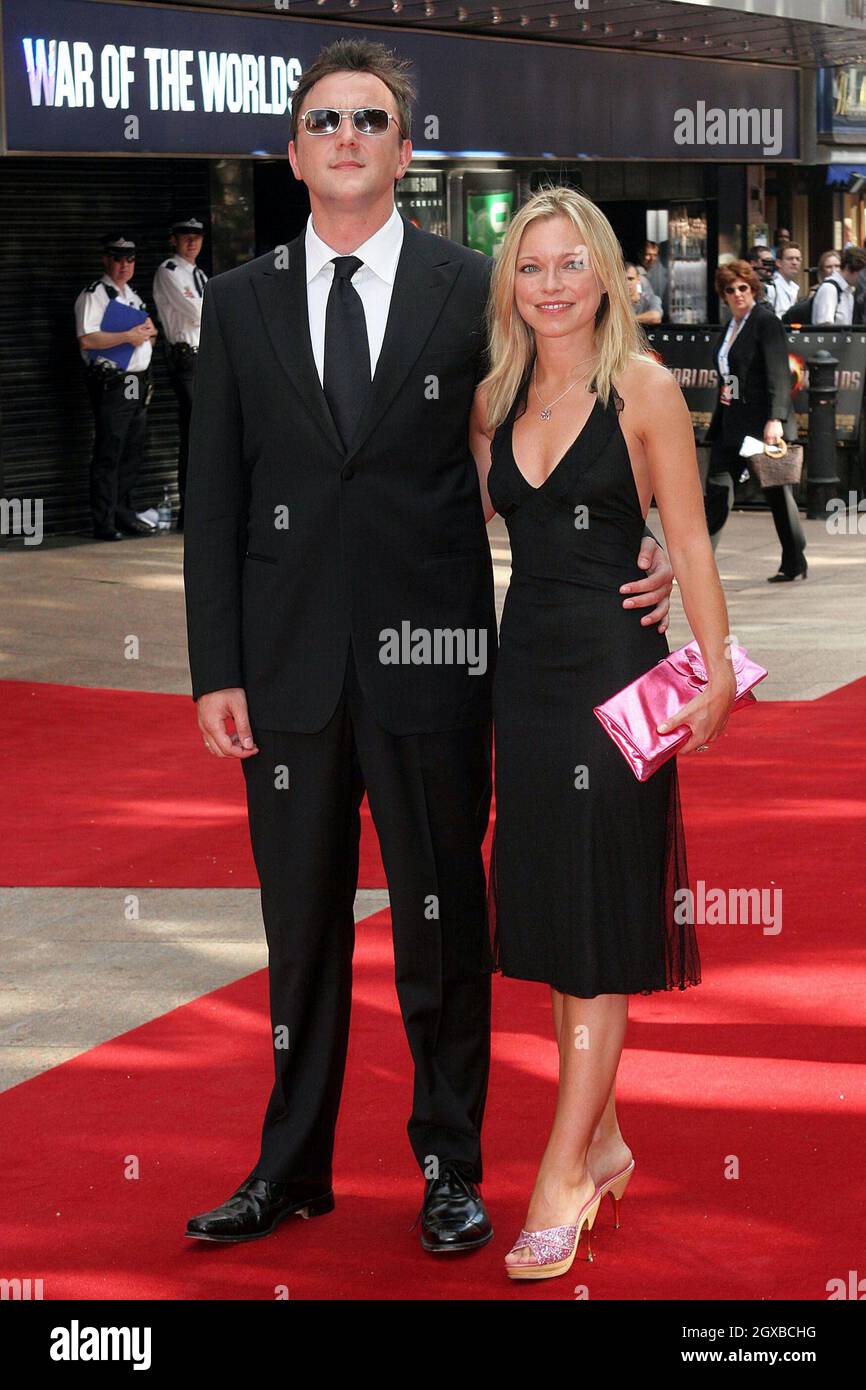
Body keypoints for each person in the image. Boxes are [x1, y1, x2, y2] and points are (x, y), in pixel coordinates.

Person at [182, 37, 674, 1253]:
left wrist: (646, 538)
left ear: (405, 151)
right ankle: (288, 1167)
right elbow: (214, 503)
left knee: (441, 930)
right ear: (292, 152)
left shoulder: (475, 288)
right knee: (296, 934)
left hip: (442, 667)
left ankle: (451, 1166)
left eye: (369, 119)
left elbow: (578, 404)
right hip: (286, 675)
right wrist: (214, 669)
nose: (345, 135)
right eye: (322, 119)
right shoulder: (238, 304)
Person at [468, 185, 737, 1280]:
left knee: (593, 932)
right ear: (509, 284)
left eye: (568, 265)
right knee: (550, 926)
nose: (549, 286)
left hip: (615, 685)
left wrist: (714, 672)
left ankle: (561, 1175)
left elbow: (690, 536)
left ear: (607, 274)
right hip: (521, 682)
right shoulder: (493, 394)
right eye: (528, 268)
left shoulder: (641, 388)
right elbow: (443, 522)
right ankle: (608, 1136)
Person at [703, 260, 806, 580]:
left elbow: (778, 372)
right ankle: (701, 564)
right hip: (730, 423)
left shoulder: (765, 321)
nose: (737, 294)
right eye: (730, 290)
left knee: (776, 492)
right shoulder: (730, 326)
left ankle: (794, 559)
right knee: (718, 490)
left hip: (761, 423)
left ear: (753, 289)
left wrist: (775, 419)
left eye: (743, 288)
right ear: (723, 294)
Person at [74, 235, 158, 540]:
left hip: (137, 382)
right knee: (110, 451)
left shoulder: (131, 296)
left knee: (131, 451)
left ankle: (123, 513)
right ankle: (104, 521)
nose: (124, 265)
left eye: (130, 259)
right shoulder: (96, 295)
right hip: (114, 383)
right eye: (118, 259)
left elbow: (151, 333)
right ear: (106, 260)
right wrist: (128, 336)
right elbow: (87, 339)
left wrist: (145, 334)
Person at [152, 217, 208, 531]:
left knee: (206, 434)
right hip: (186, 359)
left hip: (205, 357)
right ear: (173, 239)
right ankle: (188, 510)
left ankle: (201, 508)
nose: (192, 242)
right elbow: (200, 313)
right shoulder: (169, 272)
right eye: (185, 236)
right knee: (194, 433)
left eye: (197, 237)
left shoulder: (198, 274)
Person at [810, 247, 866, 326]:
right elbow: (824, 326)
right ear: (848, 268)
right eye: (861, 273)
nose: (863, 278)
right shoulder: (829, 289)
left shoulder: (848, 292)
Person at [768, 242, 802, 319]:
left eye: (798, 259)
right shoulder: (771, 286)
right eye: (790, 259)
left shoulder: (794, 287)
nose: (794, 262)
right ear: (778, 263)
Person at [639, 239, 667, 310]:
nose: (652, 258)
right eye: (648, 254)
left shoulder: (662, 274)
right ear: (640, 254)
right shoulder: (633, 273)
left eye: (655, 255)